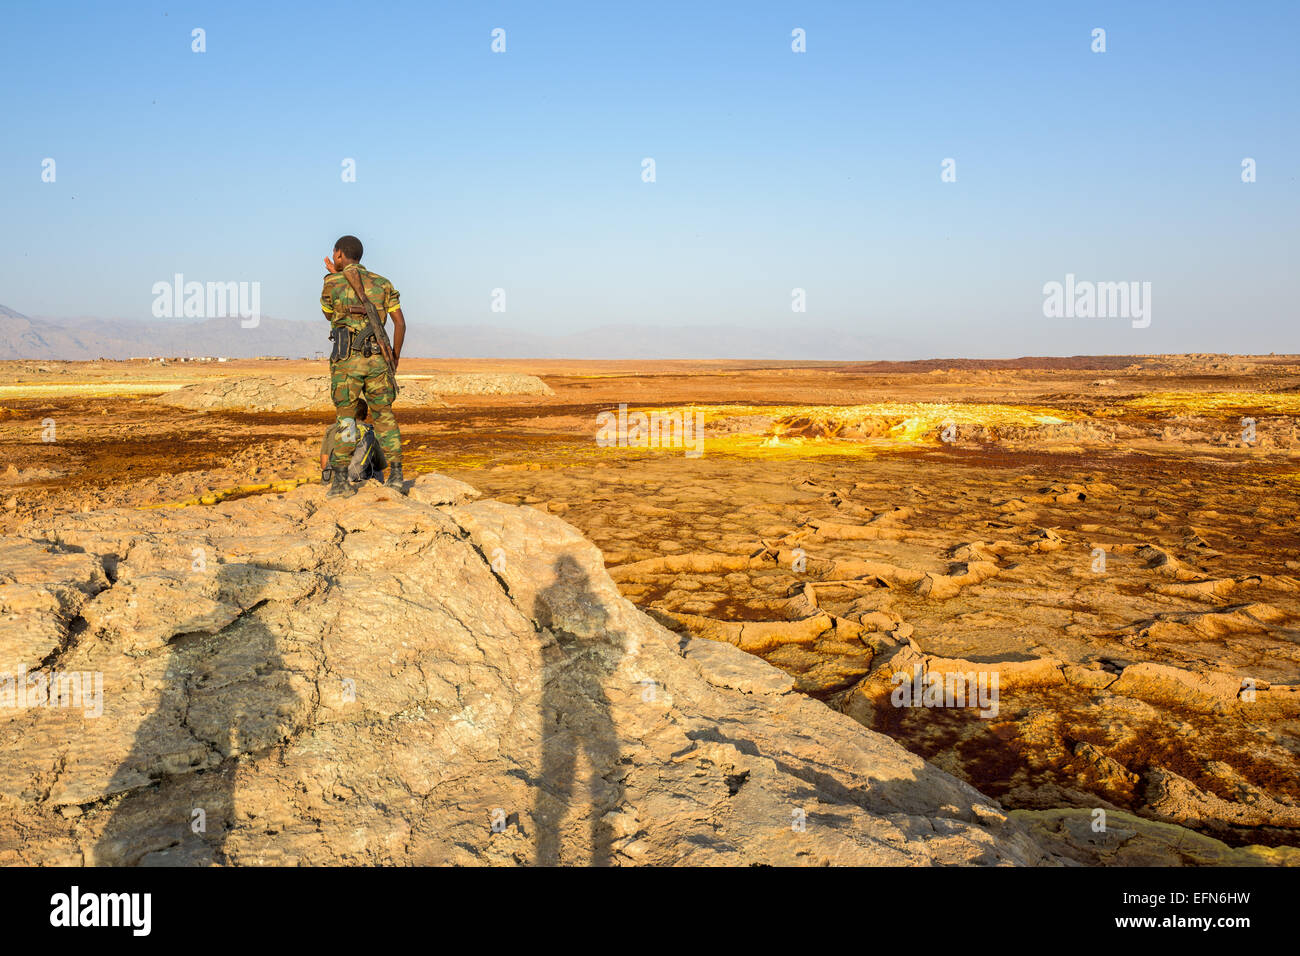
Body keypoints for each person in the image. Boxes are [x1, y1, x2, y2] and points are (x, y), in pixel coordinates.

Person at [319, 234, 406, 497]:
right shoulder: (383, 283)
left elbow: (328, 314)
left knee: (347, 419)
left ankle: (341, 482)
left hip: (347, 363)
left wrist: (334, 276)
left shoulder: (332, 283)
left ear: (338, 254)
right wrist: (394, 356)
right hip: (378, 361)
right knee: (384, 416)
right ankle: (397, 476)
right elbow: (400, 323)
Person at [320, 397, 387, 485]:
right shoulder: (369, 432)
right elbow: (380, 465)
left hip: (331, 480)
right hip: (358, 480)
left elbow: (324, 464)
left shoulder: (332, 429)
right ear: (366, 415)